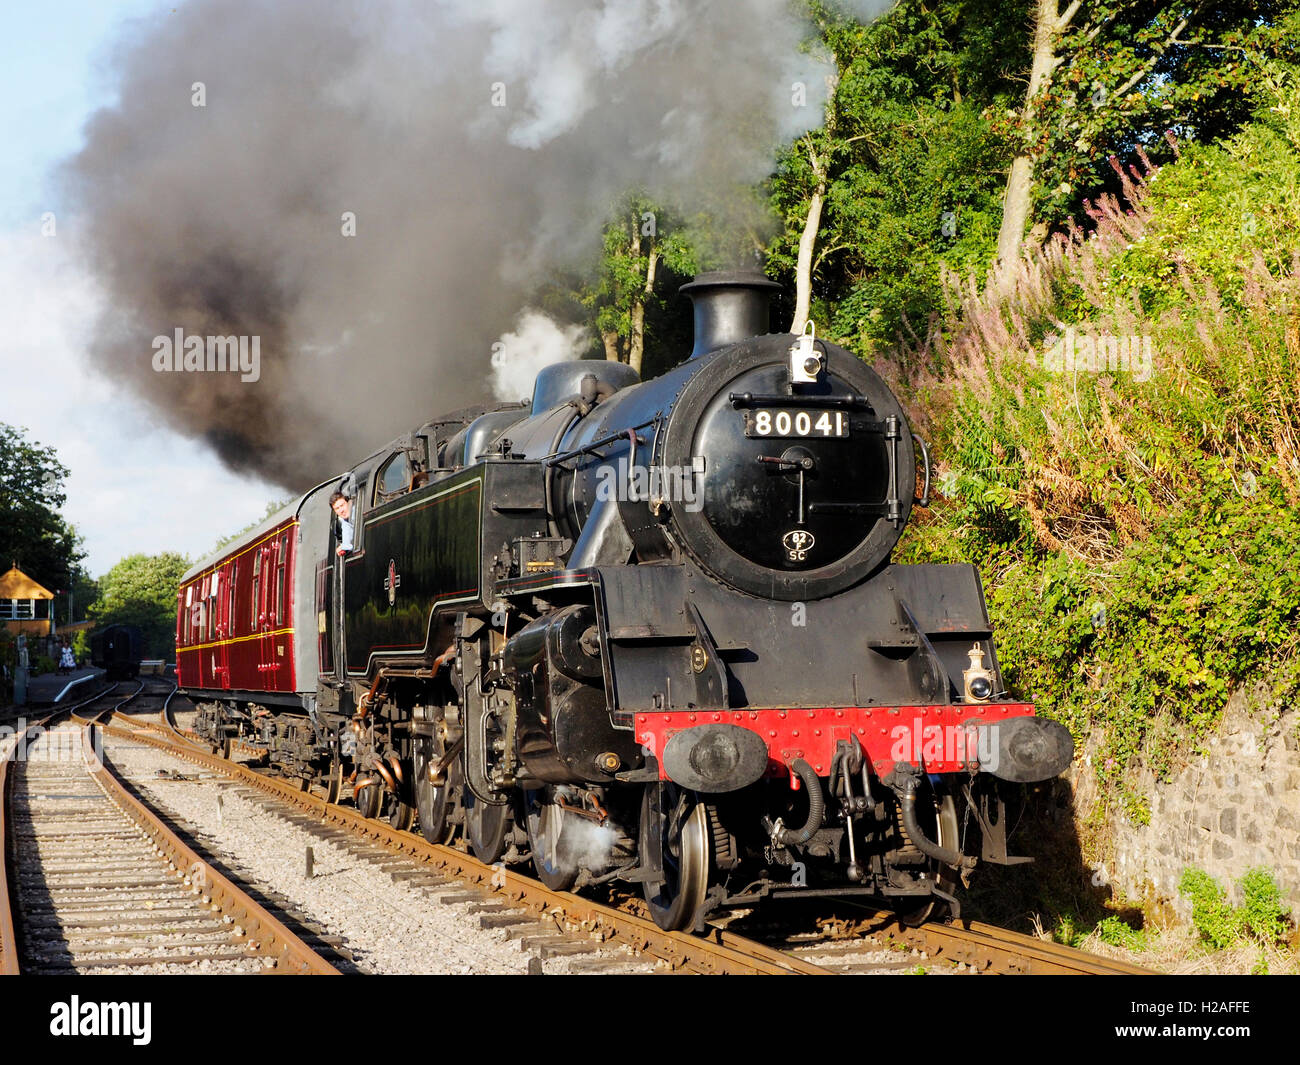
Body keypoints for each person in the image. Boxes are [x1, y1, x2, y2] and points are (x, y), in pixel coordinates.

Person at [330, 491, 355, 557]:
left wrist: (342, 547)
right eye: (337, 508)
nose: (341, 510)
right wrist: (342, 548)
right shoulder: (345, 523)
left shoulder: (355, 512)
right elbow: (348, 544)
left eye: (342, 505)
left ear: (348, 503)